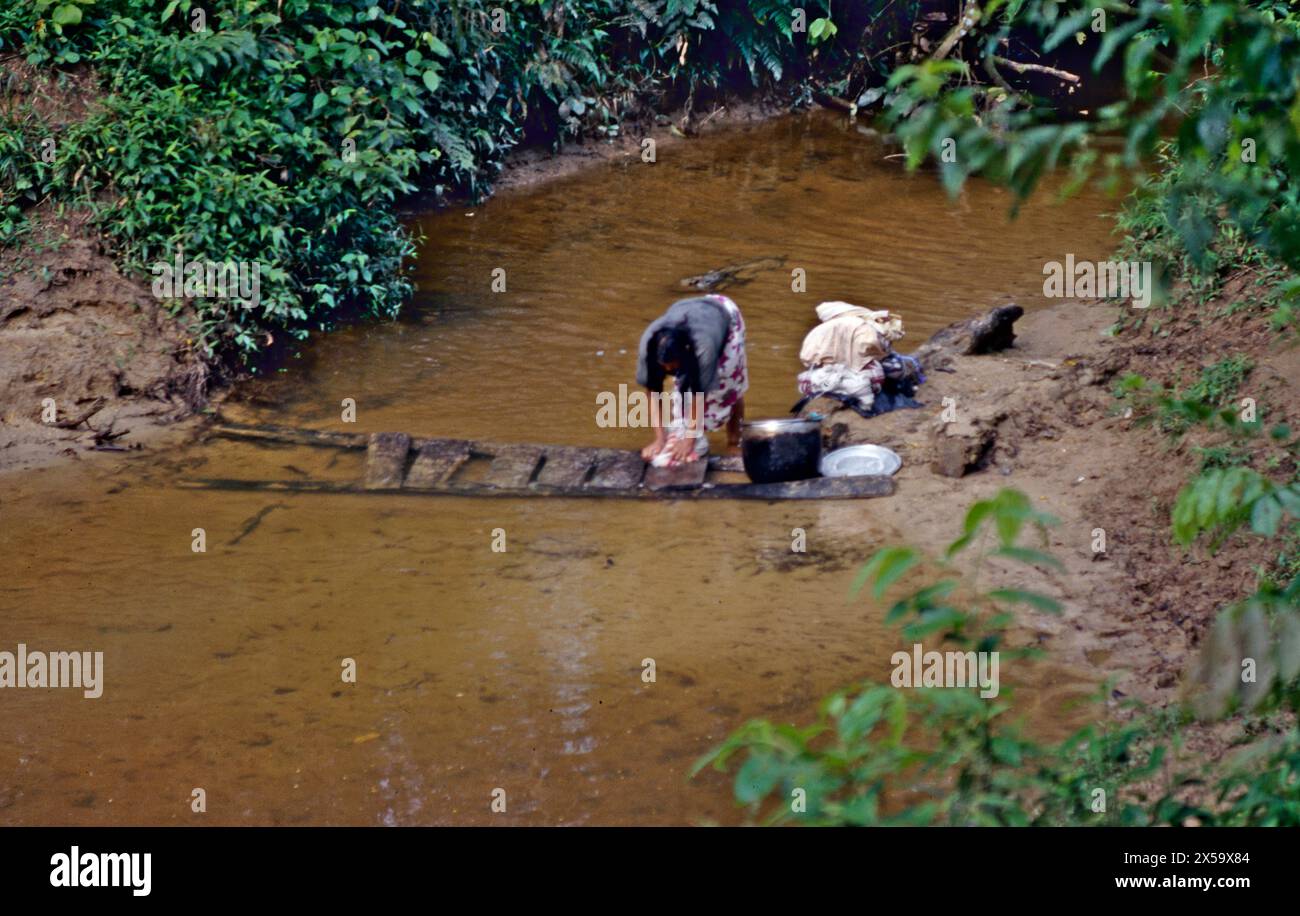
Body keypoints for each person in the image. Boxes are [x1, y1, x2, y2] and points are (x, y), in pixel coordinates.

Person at [635, 294, 748, 466]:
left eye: (673, 368)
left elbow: (699, 394)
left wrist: (689, 440)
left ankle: (734, 442)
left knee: (729, 390)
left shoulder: (703, 348)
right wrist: (660, 439)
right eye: (664, 368)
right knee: (682, 395)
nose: (668, 372)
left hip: (725, 318)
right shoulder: (649, 347)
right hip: (690, 311)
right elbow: (653, 393)